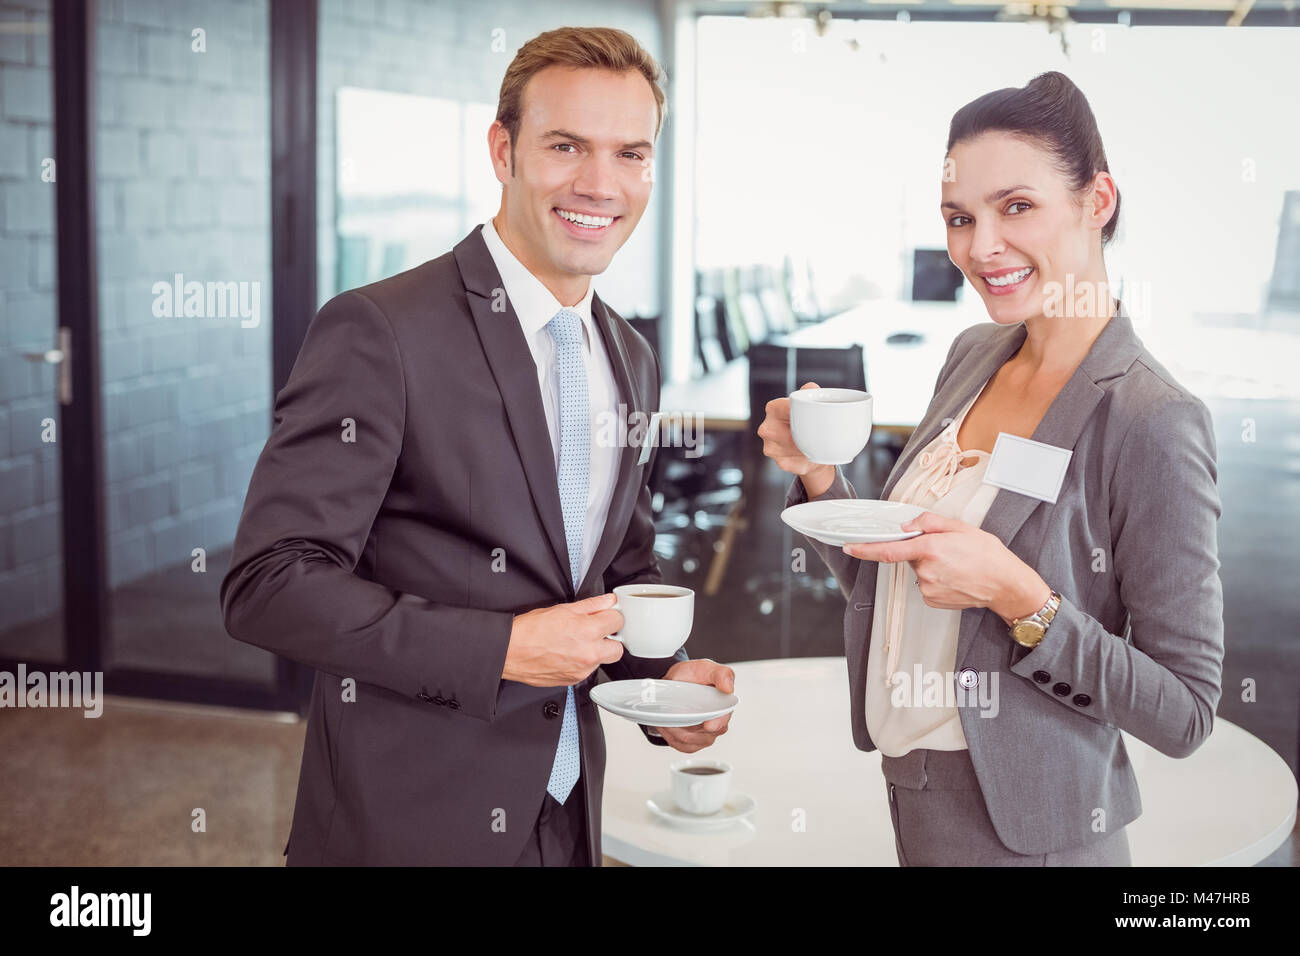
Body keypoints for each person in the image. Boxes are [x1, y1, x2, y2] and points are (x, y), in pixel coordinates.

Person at [221, 26, 733, 867]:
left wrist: (661, 677)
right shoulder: (381, 330)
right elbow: (268, 585)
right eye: (566, 146)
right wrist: (501, 649)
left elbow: (613, 572)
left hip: (571, 817)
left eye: (630, 154)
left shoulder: (630, 355)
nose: (600, 184)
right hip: (409, 823)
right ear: (503, 150)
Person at [759, 71, 1223, 865]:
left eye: (1017, 207)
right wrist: (820, 480)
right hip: (915, 793)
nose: (981, 248)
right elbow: (906, 580)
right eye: (959, 218)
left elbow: (1185, 712)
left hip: (1029, 830)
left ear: (1096, 201)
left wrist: (1021, 599)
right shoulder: (973, 355)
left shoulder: (1150, 418)